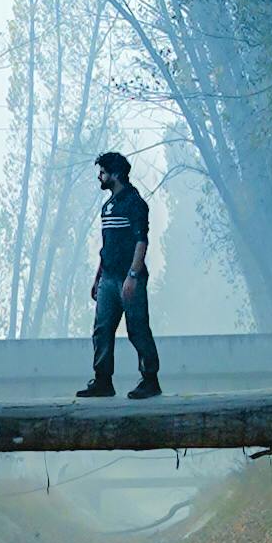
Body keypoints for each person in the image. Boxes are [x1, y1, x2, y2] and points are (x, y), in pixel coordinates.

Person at [80, 149, 160, 401]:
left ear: (115, 174)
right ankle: (102, 381)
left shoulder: (134, 203)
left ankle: (150, 380)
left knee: (137, 328)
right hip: (108, 278)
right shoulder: (107, 207)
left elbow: (141, 241)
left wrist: (133, 275)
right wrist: (98, 278)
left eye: (102, 172)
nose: (99, 177)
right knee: (102, 328)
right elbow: (107, 247)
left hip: (129, 278)